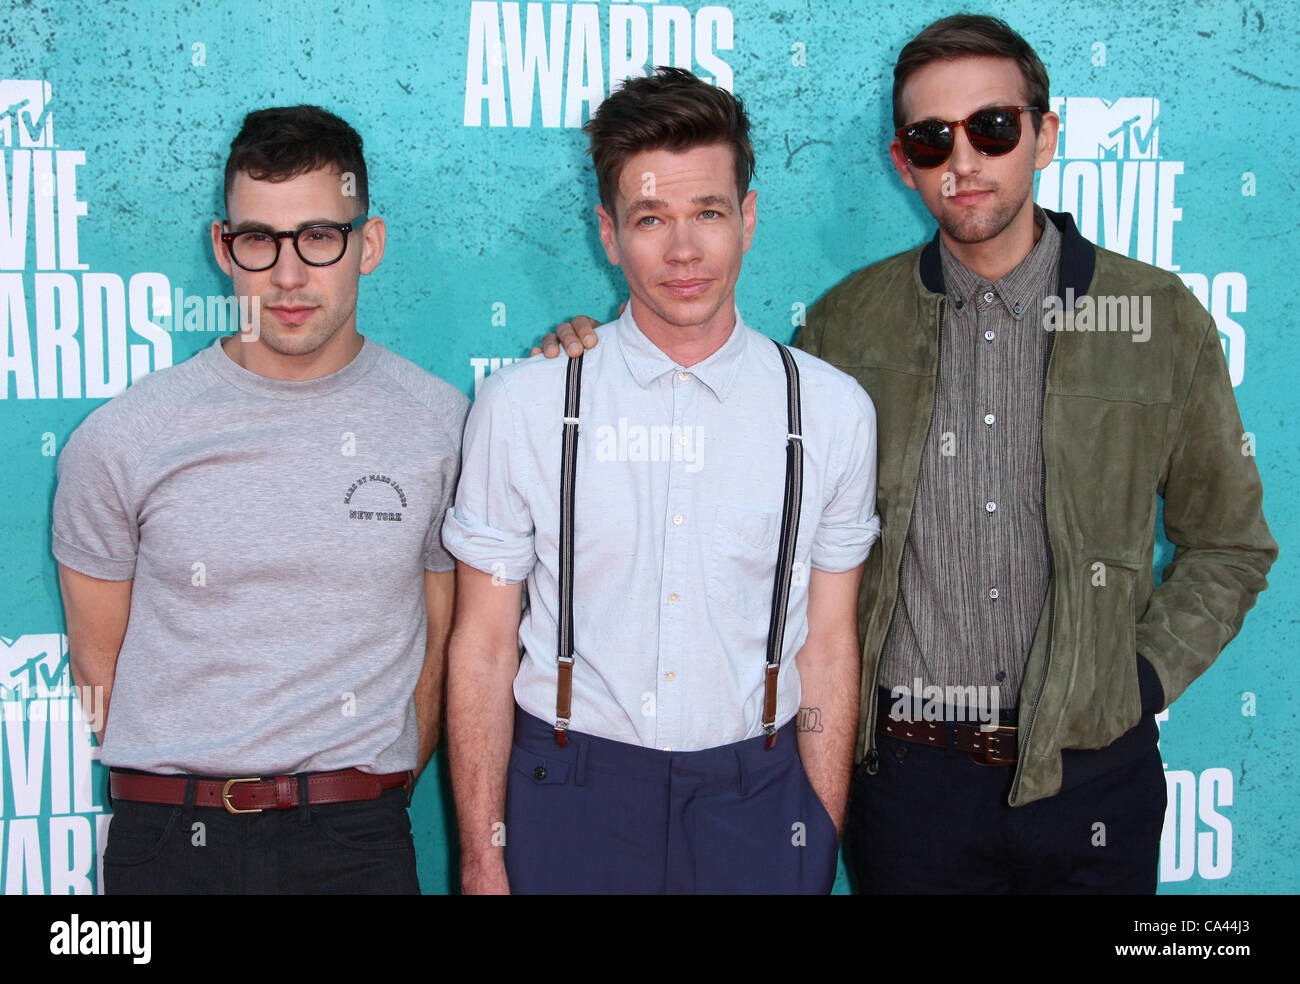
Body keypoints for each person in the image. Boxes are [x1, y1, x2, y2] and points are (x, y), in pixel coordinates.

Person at [541, 16, 1276, 894]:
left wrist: (1138, 682)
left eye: (993, 128)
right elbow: (729, 430)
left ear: (1045, 135)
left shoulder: (1156, 317)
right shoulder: (848, 324)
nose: (963, 161)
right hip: (906, 786)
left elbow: (1229, 545)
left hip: (1093, 777)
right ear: (903, 161)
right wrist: (589, 358)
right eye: (932, 140)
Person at [443, 67, 880, 894]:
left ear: (747, 218)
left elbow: (827, 645)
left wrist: (815, 832)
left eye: (708, 213)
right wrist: (482, 852)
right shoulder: (524, 405)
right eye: (651, 219)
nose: (684, 251)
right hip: (565, 795)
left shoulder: (831, 410)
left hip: (759, 798)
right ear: (608, 233)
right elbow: (484, 645)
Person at [52, 105, 468, 894]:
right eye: (258, 240)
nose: (287, 274)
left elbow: (442, 646)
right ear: (223, 247)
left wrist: (363, 796)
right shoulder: (123, 437)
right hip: (169, 839)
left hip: (359, 837)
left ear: (367, 245)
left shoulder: (442, 427)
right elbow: (98, 666)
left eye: (319, 236)